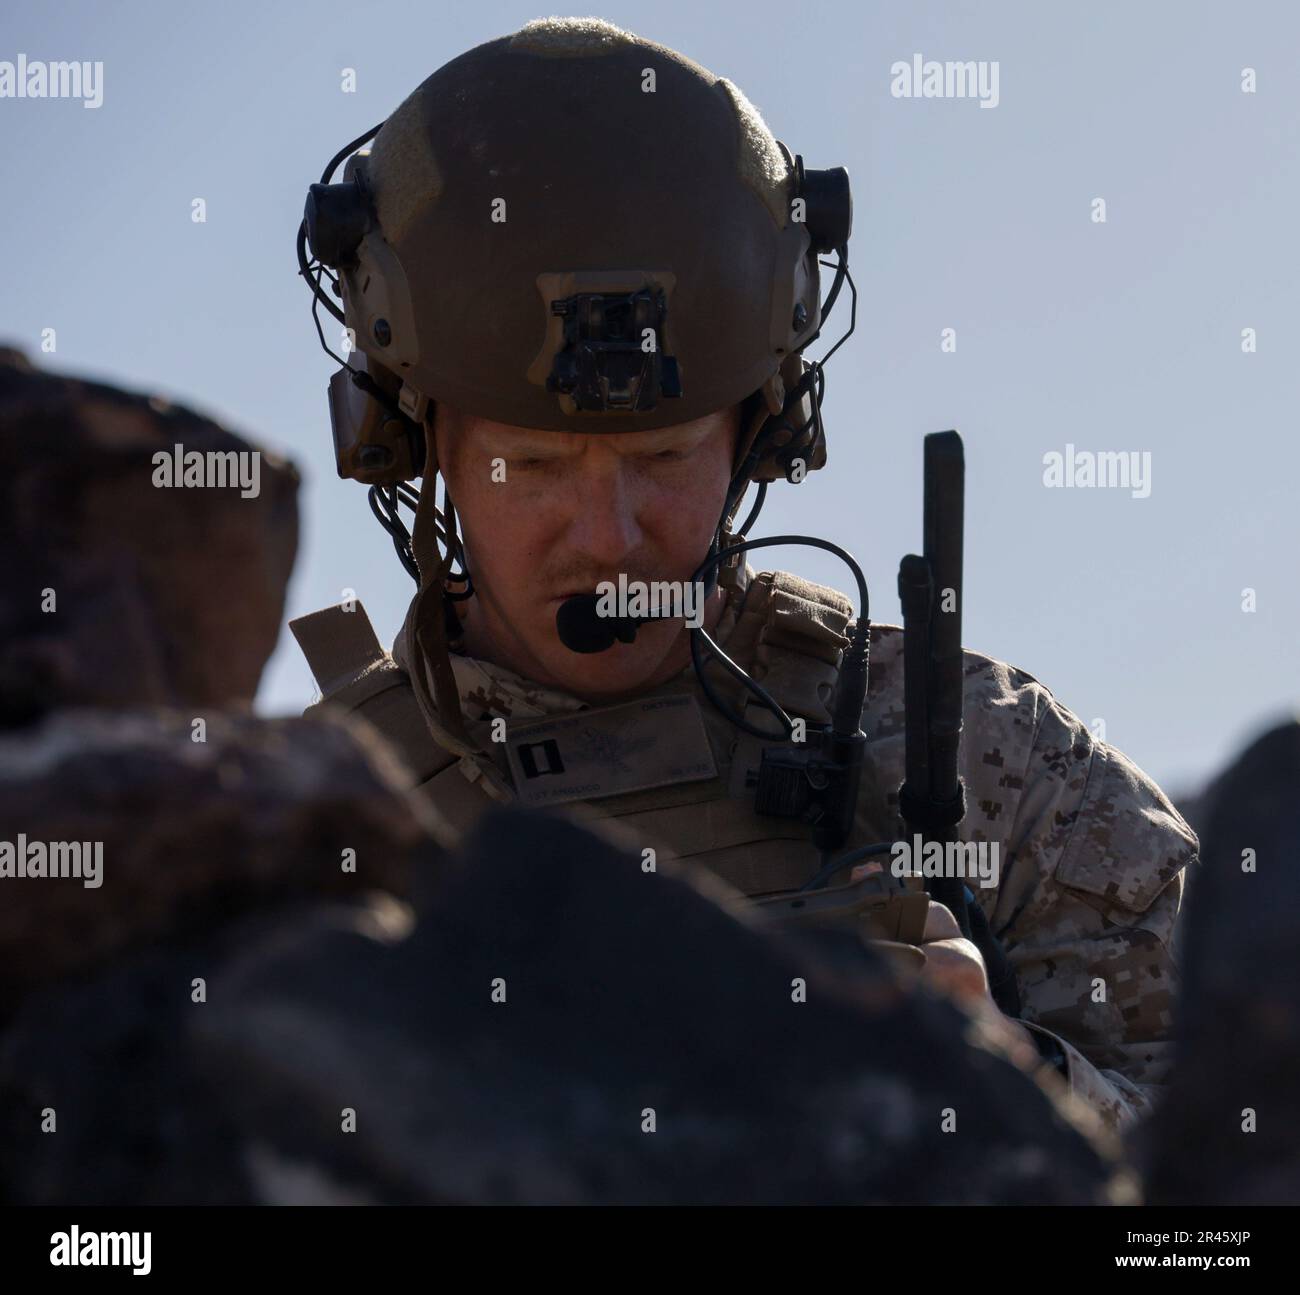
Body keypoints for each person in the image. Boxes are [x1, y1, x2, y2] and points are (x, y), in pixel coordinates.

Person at [291, 16, 1196, 1134]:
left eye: (666, 455)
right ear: (407, 440)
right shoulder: (304, 834)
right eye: (528, 465)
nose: (608, 535)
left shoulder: (984, 765)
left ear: (765, 431)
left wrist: (1019, 1082)